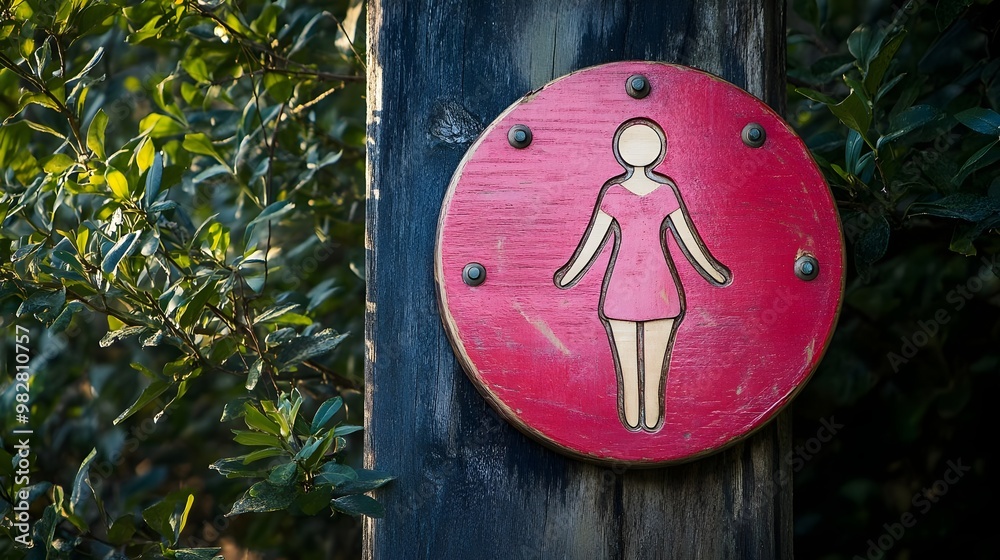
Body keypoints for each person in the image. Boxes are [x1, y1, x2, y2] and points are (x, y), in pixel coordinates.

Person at [554, 118, 731, 432]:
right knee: (635, 358)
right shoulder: (616, 194)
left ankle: (645, 421)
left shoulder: (663, 193)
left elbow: (687, 238)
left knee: (650, 358)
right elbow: (594, 239)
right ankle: (639, 421)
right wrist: (568, 275)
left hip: (654, 285)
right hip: (629, 284)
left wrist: (713, 272)